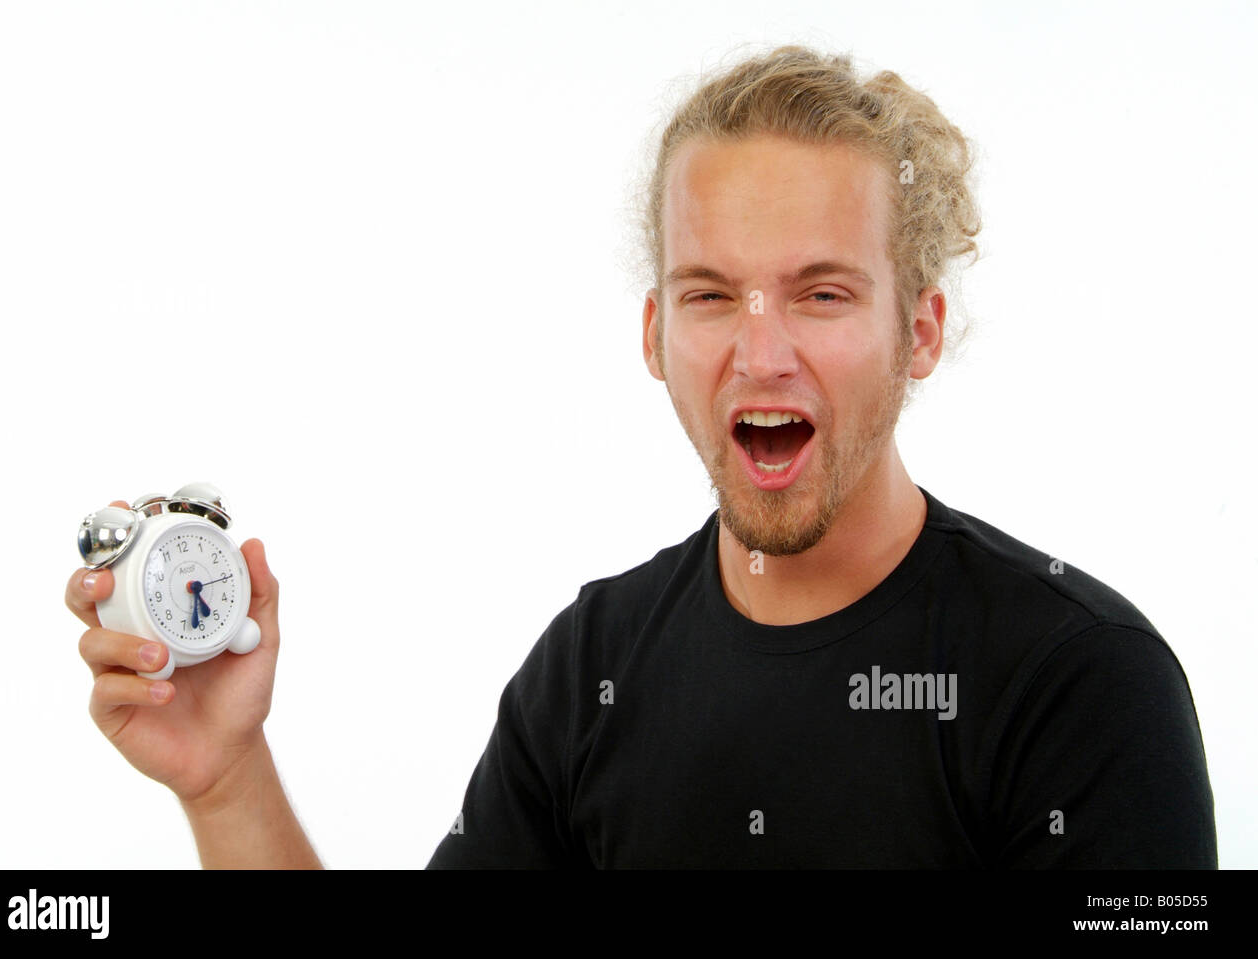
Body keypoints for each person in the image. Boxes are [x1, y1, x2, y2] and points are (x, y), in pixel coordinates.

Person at [66, 45, 1216, 868]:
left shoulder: (1081, 683)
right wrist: (227, 777)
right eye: (712, 295)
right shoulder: (588, 669)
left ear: (917, 329)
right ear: (657, 335)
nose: (761, 352)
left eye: (821, 293)